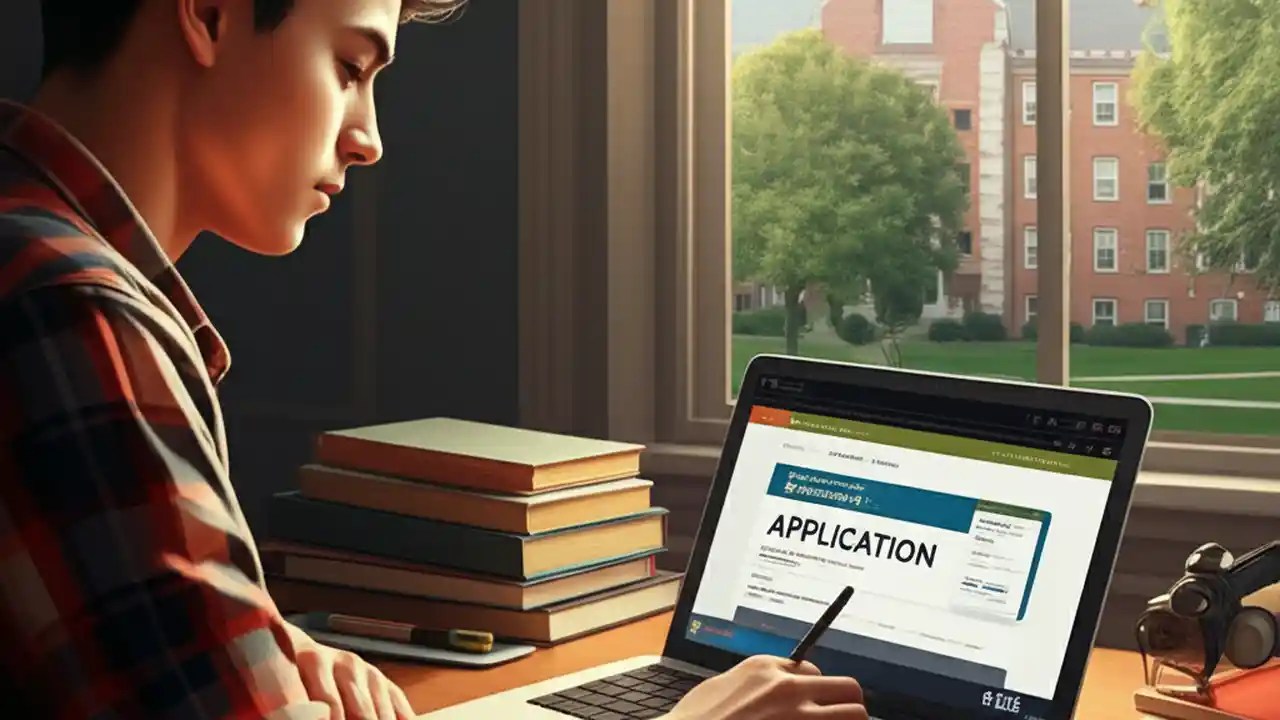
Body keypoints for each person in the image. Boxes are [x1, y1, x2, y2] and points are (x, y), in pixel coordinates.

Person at [0, 1, 869, 718]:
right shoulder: (74, 315)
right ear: (210, 13)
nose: (369, 138)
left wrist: (263, 649)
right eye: (349, 67)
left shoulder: (37, 254)